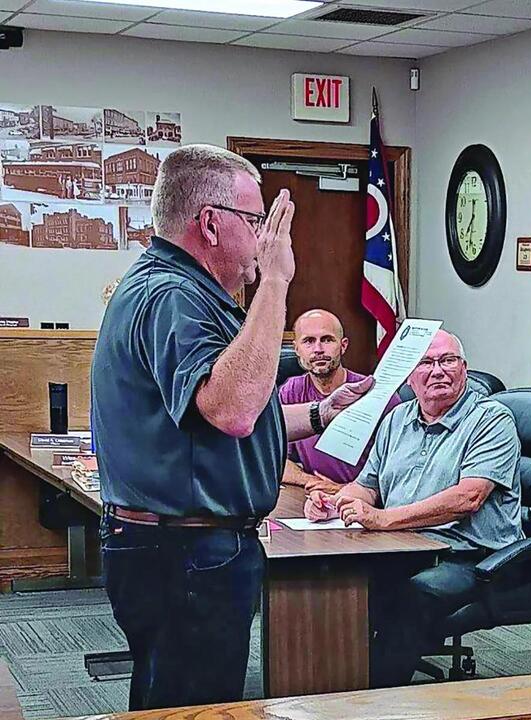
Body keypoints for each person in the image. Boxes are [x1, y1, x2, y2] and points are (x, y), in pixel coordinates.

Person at [90, 144, 371, 711]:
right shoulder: (174, 296)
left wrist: (322, 413)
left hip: (182, 549)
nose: (266, 237)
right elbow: (234, 410)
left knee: (171, 701)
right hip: (185, 554)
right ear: (211, 224)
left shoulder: (178, 290)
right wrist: (276, 283)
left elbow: (220, 422)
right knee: (193, 707)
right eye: (255, 220)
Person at [304, 330, 523, 687]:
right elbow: (368, 485)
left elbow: (467, 498)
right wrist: (336, 502)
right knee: (332, 581)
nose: (438, 371)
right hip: (401, 546)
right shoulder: (397, 419)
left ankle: (377, 700)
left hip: (468, 556)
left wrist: (382, 518)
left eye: (448, 360)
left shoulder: (491, 419)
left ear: (464, 368)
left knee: (408, 596)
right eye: (426, 363)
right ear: (409, 376)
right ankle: (326, 688)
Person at [279, 309, 401, 494]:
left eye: (327, 340)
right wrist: (311, 481)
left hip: (368, 502)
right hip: (314, 496)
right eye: (309, 341)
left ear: (343, 346)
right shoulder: (290, 391)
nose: (318, 349)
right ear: (297, 349)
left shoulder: (378, 395)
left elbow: (401, 472)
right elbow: (276, 460)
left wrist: (343, 490)